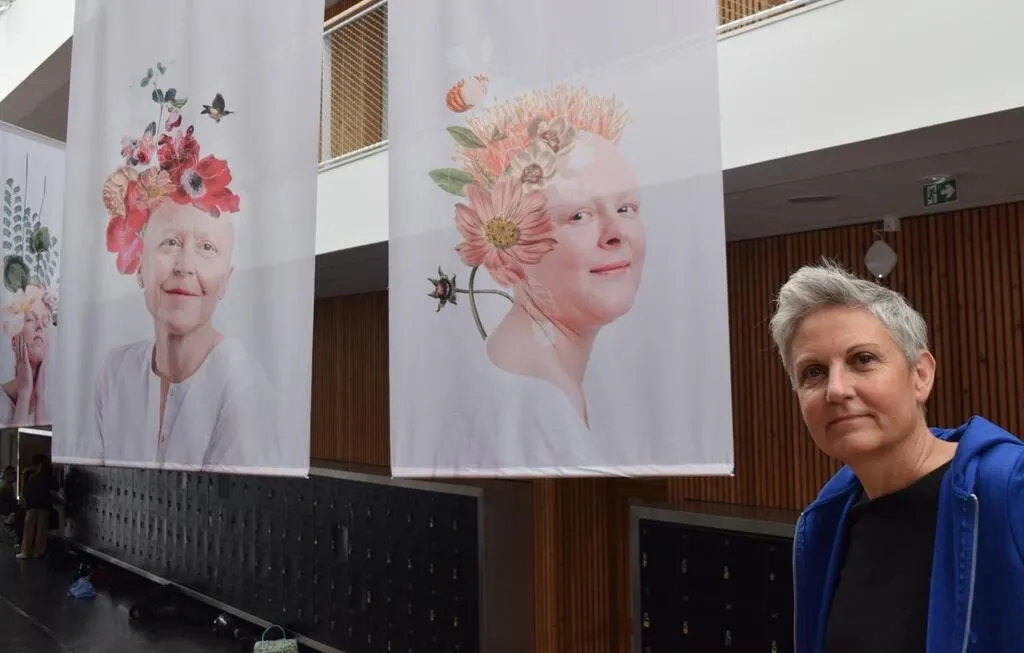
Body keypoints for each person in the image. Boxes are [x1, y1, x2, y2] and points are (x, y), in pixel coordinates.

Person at [769, 260, 1024, 653]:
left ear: (920, 375)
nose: (836, 390)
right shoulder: (825, 524)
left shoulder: (1006, 489)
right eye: (814, 372)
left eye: (862, 359)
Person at [88, 86, 278, 473]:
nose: (185, 265)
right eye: (170, 242)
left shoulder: (241, 385)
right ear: (138, 264)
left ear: (227, 279)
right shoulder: (114, 371)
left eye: (207, 247)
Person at [0, 285, 55, 426]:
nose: (40, 327)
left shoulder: (54, 405)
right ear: (14, 340)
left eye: (44, 321)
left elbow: (44, 446)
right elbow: (12, 446)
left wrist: (40, 394)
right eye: (31, 319)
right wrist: (24, 393)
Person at [17, 454, 58, 559]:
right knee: (42, 529)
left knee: (29, 528)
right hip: (44, 505)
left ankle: (26, 551)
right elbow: (54, 490)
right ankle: (38, 552)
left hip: (33, 505)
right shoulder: (50, 477)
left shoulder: (32, 476)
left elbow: (26, 491)